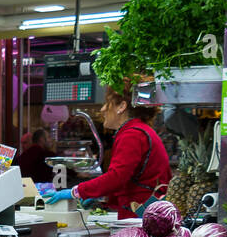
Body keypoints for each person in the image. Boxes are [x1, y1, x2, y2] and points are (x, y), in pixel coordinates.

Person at [46, 86, 170, 218]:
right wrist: (102, 196)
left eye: (107, 104)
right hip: (145, 212)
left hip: (141, 215)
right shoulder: (139, 130)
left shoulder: (132, 134)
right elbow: (131, 179)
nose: (102, 109)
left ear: (121, 107)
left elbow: (116, 178)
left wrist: (76, 192)